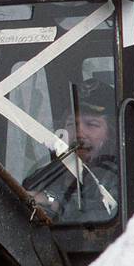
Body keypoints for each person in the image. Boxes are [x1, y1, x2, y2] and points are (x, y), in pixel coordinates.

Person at [22, 79, 119, 223]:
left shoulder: (123, 180)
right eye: (71, 124)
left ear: (110, 135)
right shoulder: (42, 178)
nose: (79, 133)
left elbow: (107, 216)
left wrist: (54, 203)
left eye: (92, 124)